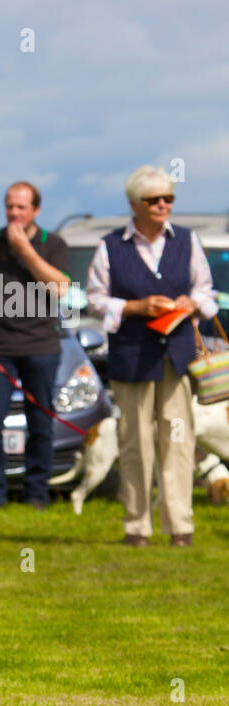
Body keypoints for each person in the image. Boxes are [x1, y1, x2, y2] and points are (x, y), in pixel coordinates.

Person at [85, 165, 217, 547]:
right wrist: (136, 307)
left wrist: (191, 302)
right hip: (131, 359)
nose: (163, 205)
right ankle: (137, 527)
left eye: (169, 199)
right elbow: (94, 300)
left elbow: (206, 291)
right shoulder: (111, 245)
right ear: (134, 204)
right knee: (135, 443)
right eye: (154, 200)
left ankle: (180, 526)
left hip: (176, 359)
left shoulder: (187, 241)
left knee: (178, 441)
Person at [0, 182, 71, 511]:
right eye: (10, 206)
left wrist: (25, 250)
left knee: (40, 422)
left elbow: (60, 289)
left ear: (36, 211)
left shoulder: (53, 244)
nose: (14, 213)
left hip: (41, 347)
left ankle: (37, 494)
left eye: (21, 208)